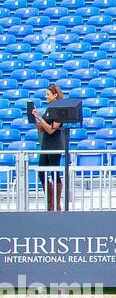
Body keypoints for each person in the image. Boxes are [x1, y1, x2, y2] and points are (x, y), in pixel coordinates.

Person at [33, 83, 68, 211]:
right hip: (45, 145)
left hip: (55, 145)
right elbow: (41, 128)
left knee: (54, 173)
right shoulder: (48, 109)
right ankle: (50, 202)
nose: (46, 96)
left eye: (48, 94)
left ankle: (56, 203)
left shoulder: (59, 110)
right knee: (41, 173)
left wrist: (39, 118)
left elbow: (51, 129)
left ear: (55, 95)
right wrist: (34, 118)